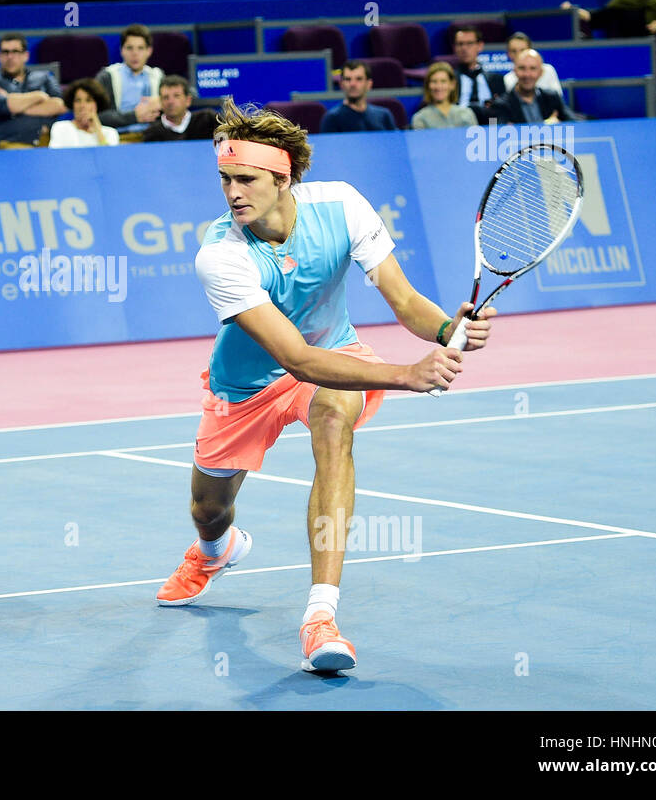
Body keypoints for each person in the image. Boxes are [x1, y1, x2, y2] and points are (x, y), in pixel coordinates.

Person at [156, 97, 492, 675]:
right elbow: (295, 358)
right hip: (247, 384)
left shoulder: (341, 206)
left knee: (334, 425)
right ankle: (216, 552)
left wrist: (445, 327)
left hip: (336, 355)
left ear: (284, 176)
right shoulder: (221, 255)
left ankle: (320, 616)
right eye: (225, 179)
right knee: (208, 509)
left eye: (247, 178)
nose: (233, 192)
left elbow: (405, 302)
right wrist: (406, 374)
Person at [0, 33, 66, 148]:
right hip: (6, 145)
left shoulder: (44, 77)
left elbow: (60, 105)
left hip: (46, 144)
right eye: (5, 52)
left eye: (15, 52)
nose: (10, 57)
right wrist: (38, 97)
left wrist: (13, 102)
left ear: (26, 55)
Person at [94, 23, 163, 132]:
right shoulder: (107, 76)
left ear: (149, 51)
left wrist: (163, 102)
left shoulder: (157, 76)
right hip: (119, 138)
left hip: (152, 137)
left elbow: (186, 97)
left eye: (140, 48)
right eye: (129, 48)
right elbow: (96, 116)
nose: (135, 53)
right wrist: (134, 116)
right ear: (122, 50)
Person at [491, 48, 576, 124]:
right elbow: (495, 132)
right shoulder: (500, 104)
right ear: (514, 71)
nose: (527, 74)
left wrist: (561, 125)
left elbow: (574, 122)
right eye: (522, 68)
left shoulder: (552, 97)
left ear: (541, 72)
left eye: (533, 68)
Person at [450, 25, 505, 125]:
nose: (464, 48)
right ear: (454, 48)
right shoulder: (449, 80)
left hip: (490, 127)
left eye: (469, 43)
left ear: (480, 46)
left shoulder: (495, 79)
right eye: (460, 44)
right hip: (458, 127)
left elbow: (503, 112)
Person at [320, 61, 397, 132]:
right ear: (341, 84)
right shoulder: (332, 118)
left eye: (359, 79)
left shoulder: (384, 116)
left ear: (369, 84)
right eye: (348, 79)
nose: (353, 84)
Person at [142, 75, 218, 141]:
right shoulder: (152, 133)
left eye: (176, 96)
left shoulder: (208, 120)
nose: (170, 101)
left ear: (188, 100)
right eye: (165, 97)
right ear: (160, 102)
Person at [48, 78, 119, 147]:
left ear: (97, 104)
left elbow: (109, 157)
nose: (82, 105)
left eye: (88, 100)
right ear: (73, 104)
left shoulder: (110, 133)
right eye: (78, 100)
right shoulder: (61, 128)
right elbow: (56, 157)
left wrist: (98, 129)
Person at [410, 61, 477, 130]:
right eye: (434, 81)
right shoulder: (420, 118)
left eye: (443, 81)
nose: (438, 86)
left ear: (452, 84)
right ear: (428, 86)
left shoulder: (466, 114)